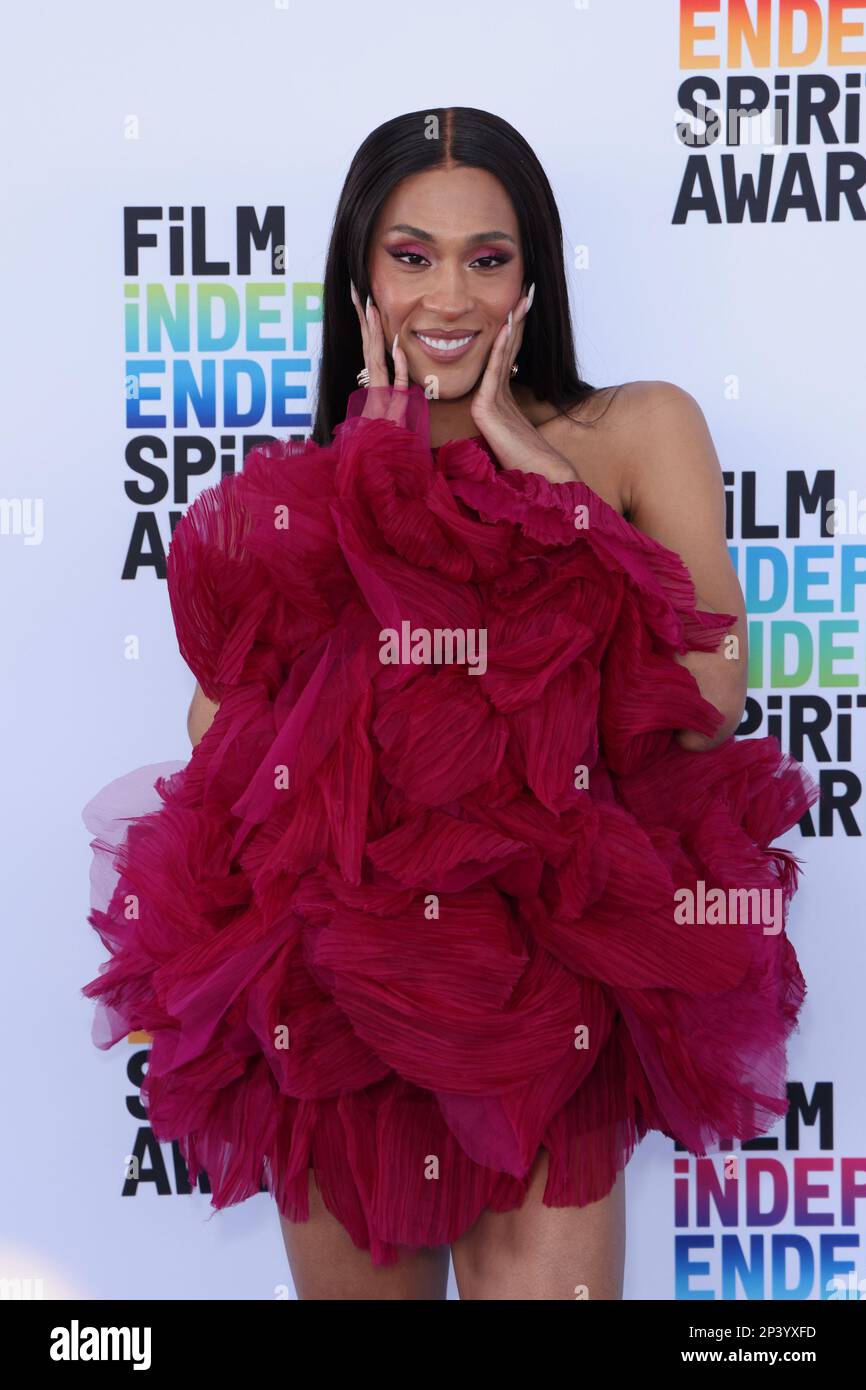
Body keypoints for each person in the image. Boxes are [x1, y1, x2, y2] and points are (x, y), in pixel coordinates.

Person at [83, 107, 817, 1301]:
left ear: (533, 273)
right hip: (335, 992)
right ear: (359, 277)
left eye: (488, 258)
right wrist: (367, 498)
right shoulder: (297, 493)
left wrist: (548, 489)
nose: (449, 298)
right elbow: (216, 743)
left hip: (551, 976)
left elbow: (706, 700)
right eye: (410, 256)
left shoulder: (634, 431)